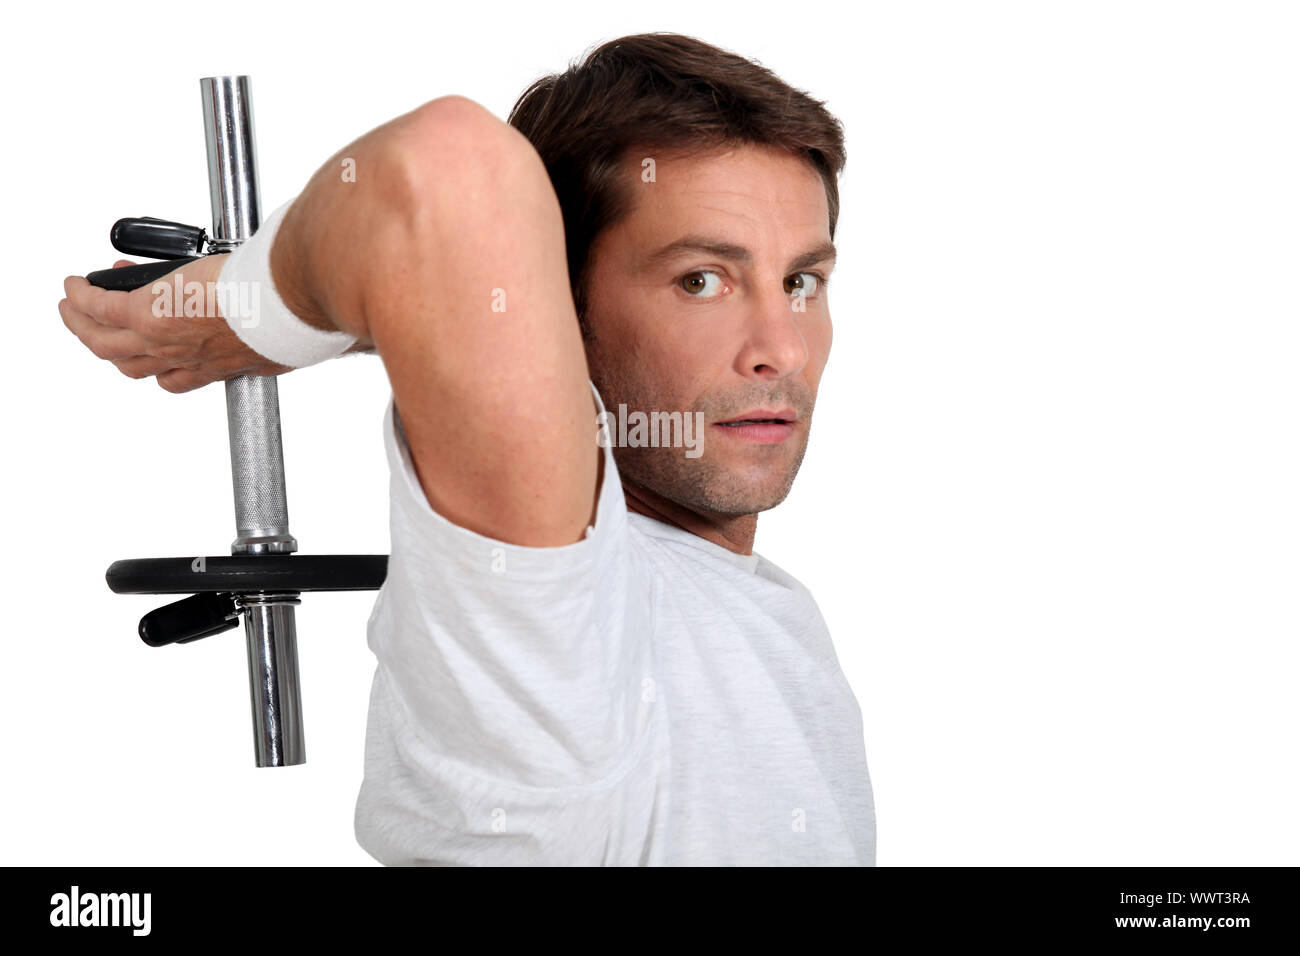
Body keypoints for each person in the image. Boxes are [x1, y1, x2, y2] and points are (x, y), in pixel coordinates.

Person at [58, 32, 875, 866]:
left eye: (802, 281)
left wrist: (352, 328)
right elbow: (445, 176)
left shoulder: (771, 613)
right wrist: (241, 312)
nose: (782, 347)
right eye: (700, 279)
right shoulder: (566, 609)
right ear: (560, 303)